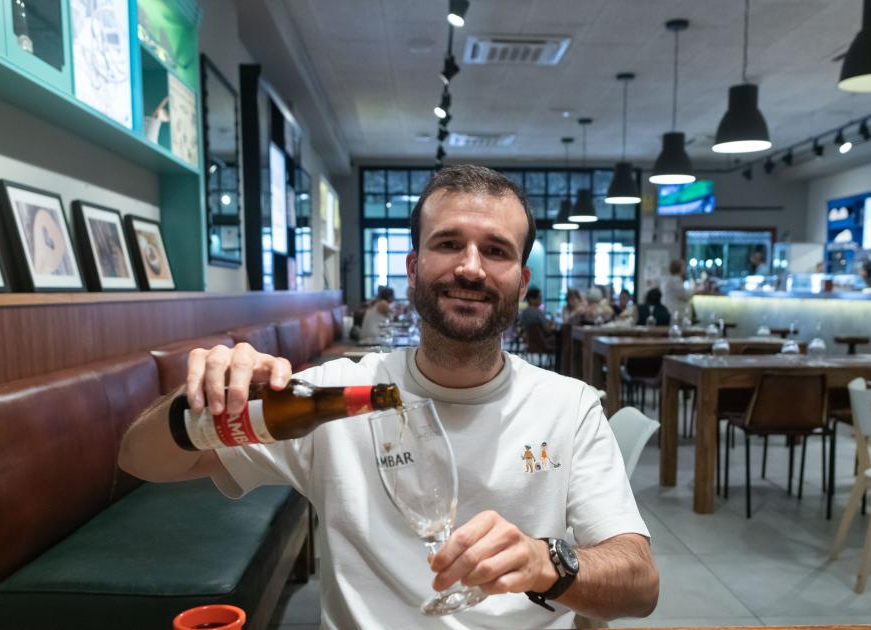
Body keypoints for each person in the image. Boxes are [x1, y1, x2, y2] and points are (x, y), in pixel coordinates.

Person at [118, 165, 659, 629]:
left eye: (495, 251)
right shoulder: (332, 397)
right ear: (412, 267)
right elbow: (139, 460)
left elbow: (639, 585)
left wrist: (547, 563)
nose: (470, 266)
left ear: (521, 281)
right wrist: (198, 402)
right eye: (448, 243)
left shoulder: (570, 405)